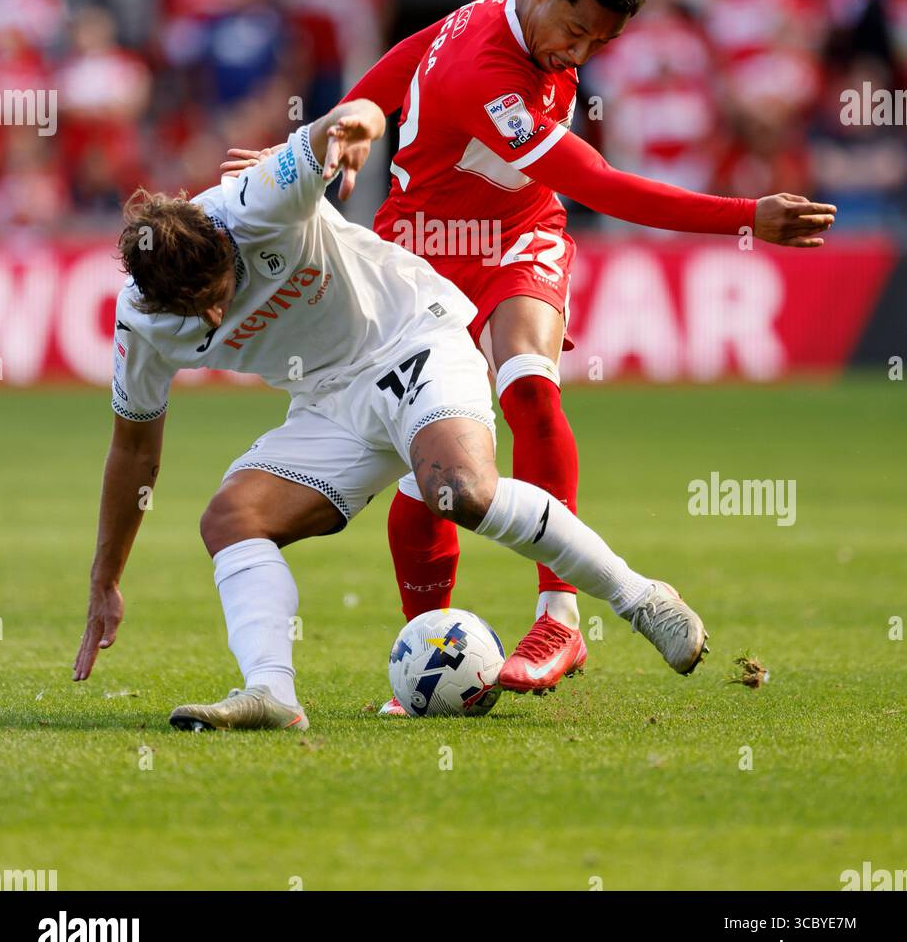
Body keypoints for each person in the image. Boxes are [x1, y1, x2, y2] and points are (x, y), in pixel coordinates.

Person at [224, 0, 837, 713]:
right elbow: (601, 185)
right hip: (422, 252)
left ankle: (559, 618)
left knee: (529, 387)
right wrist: (745, 216)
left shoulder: (509, 10)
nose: (577, 55)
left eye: (598, 43)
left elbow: (385, 78)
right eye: (575, 31)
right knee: (426, 476)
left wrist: (326, 138)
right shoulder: (486, 68)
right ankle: (432, 657)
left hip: (519, 235)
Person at [73, 99, 711, 730]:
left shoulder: (256, 201)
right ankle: (271, 692)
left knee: (459, 493)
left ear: (223, 241)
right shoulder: (143, 323)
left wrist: (353, 134)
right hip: (328, 404)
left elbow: (352, 118)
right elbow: (134, 452)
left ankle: (641, 599)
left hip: (412, 340)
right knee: (231, 520)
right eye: (197, 315)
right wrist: (106, 581)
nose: (215, 319)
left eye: (218, 296)